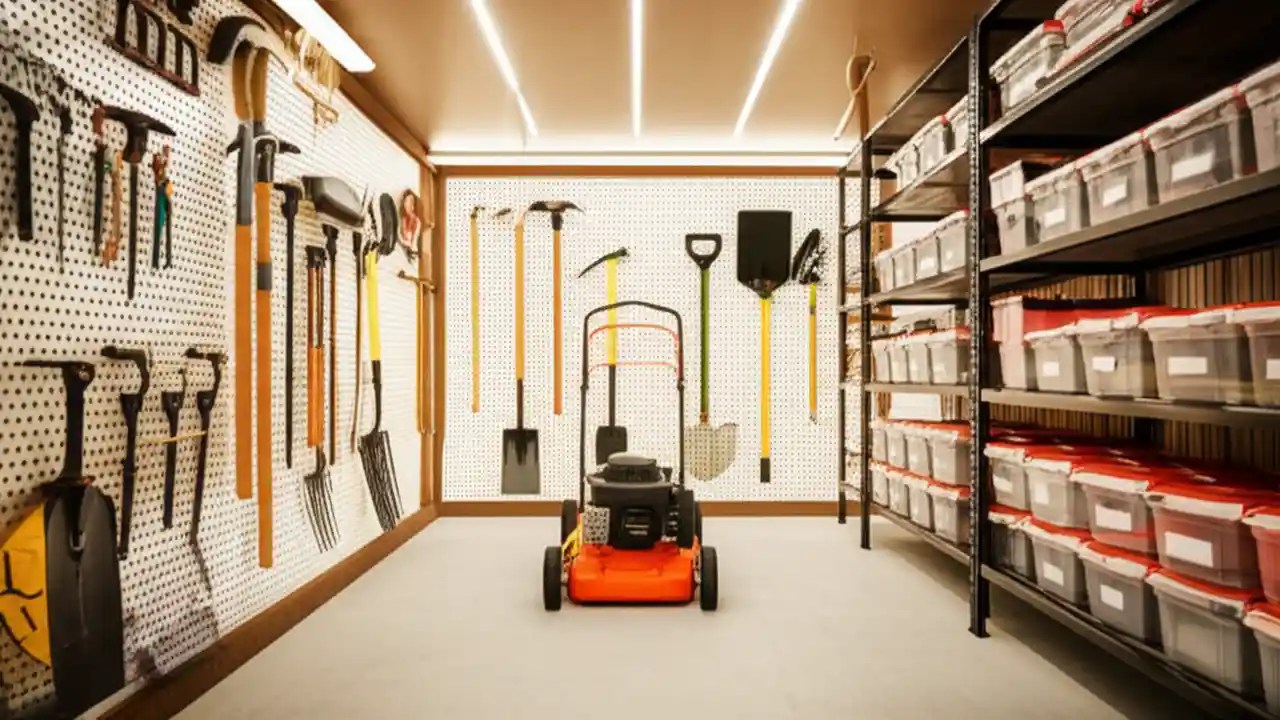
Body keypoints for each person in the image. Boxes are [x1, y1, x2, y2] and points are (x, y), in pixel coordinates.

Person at [399, 190, 421, 260]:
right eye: (406, 201)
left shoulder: (417, 222)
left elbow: (413, 243)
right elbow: (402, 235)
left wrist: (404, 242)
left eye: (410, 202)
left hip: (411, 253)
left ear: (413, 205)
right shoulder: (403, 219)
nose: (407, 205)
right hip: (403, 251)